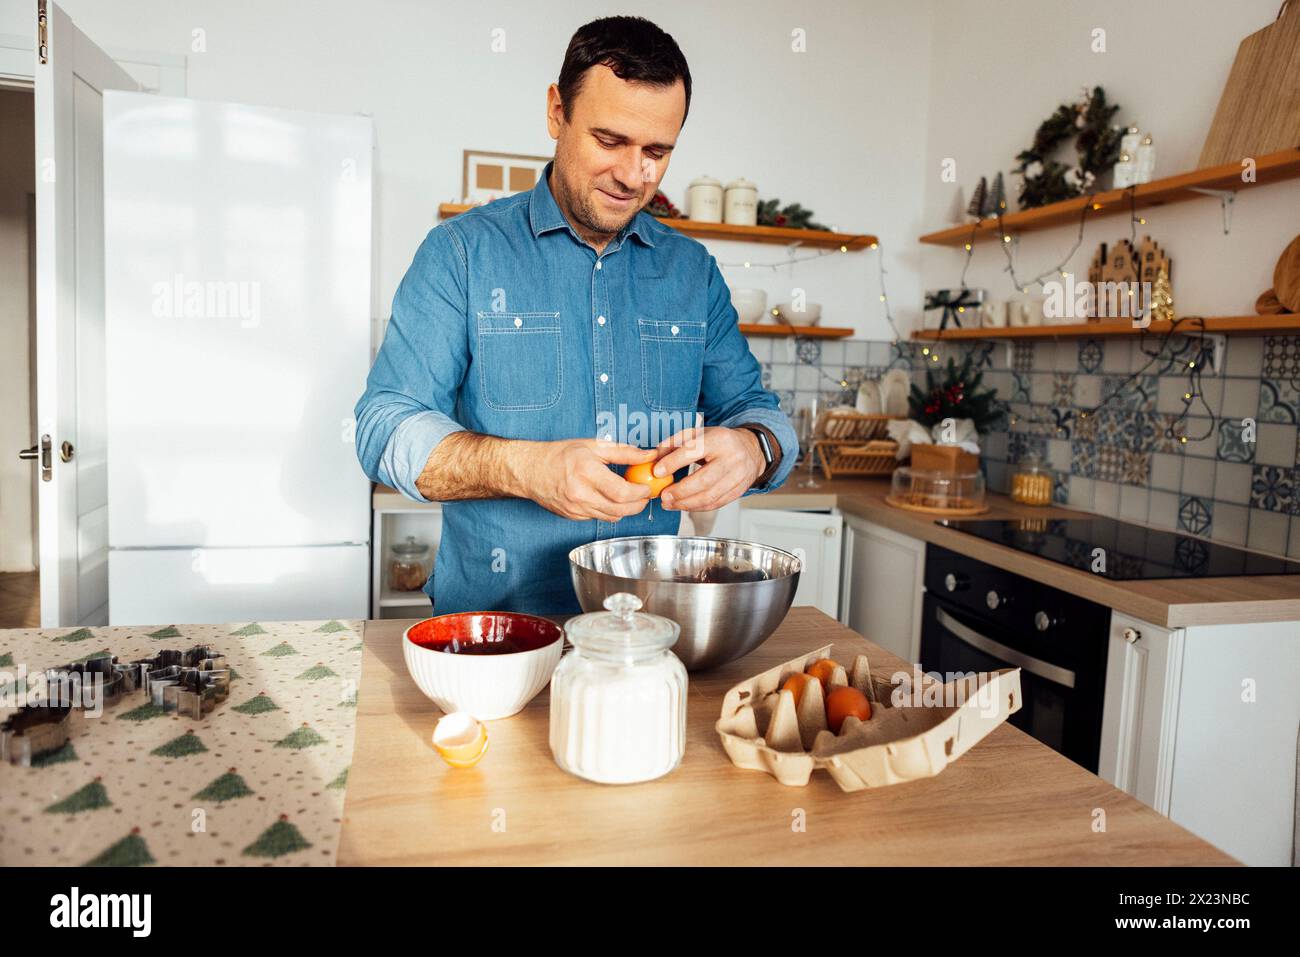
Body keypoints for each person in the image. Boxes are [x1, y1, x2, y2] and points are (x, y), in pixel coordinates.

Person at [354, 15, 798, 614]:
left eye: (657, 151)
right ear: (556, 113)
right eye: (610, 141)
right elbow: (383, 428)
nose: (632, 174)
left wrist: (755, 449)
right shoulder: (461, 254)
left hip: (645, 635)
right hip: (494, 633)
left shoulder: (692, 273)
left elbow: (757, 412)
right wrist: (526, 467)